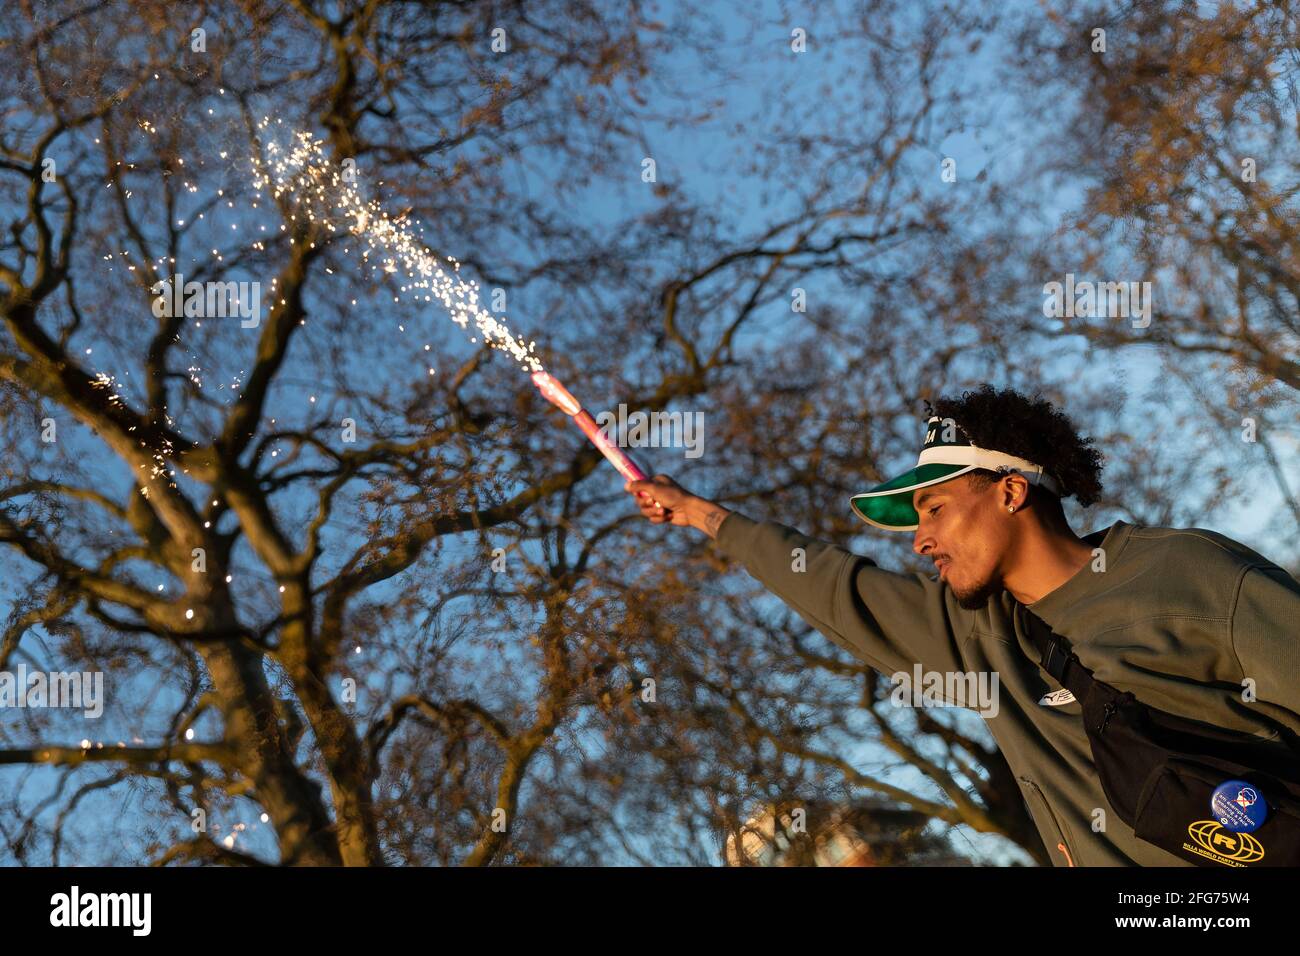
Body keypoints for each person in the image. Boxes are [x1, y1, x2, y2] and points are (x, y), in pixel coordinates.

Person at [625, 385, 1300, 866]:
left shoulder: (1187, 572)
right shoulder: (974, 636)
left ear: (1010, 492)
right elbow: (835, 588)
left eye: (935, 509)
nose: (919, 540)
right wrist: (697, 513)